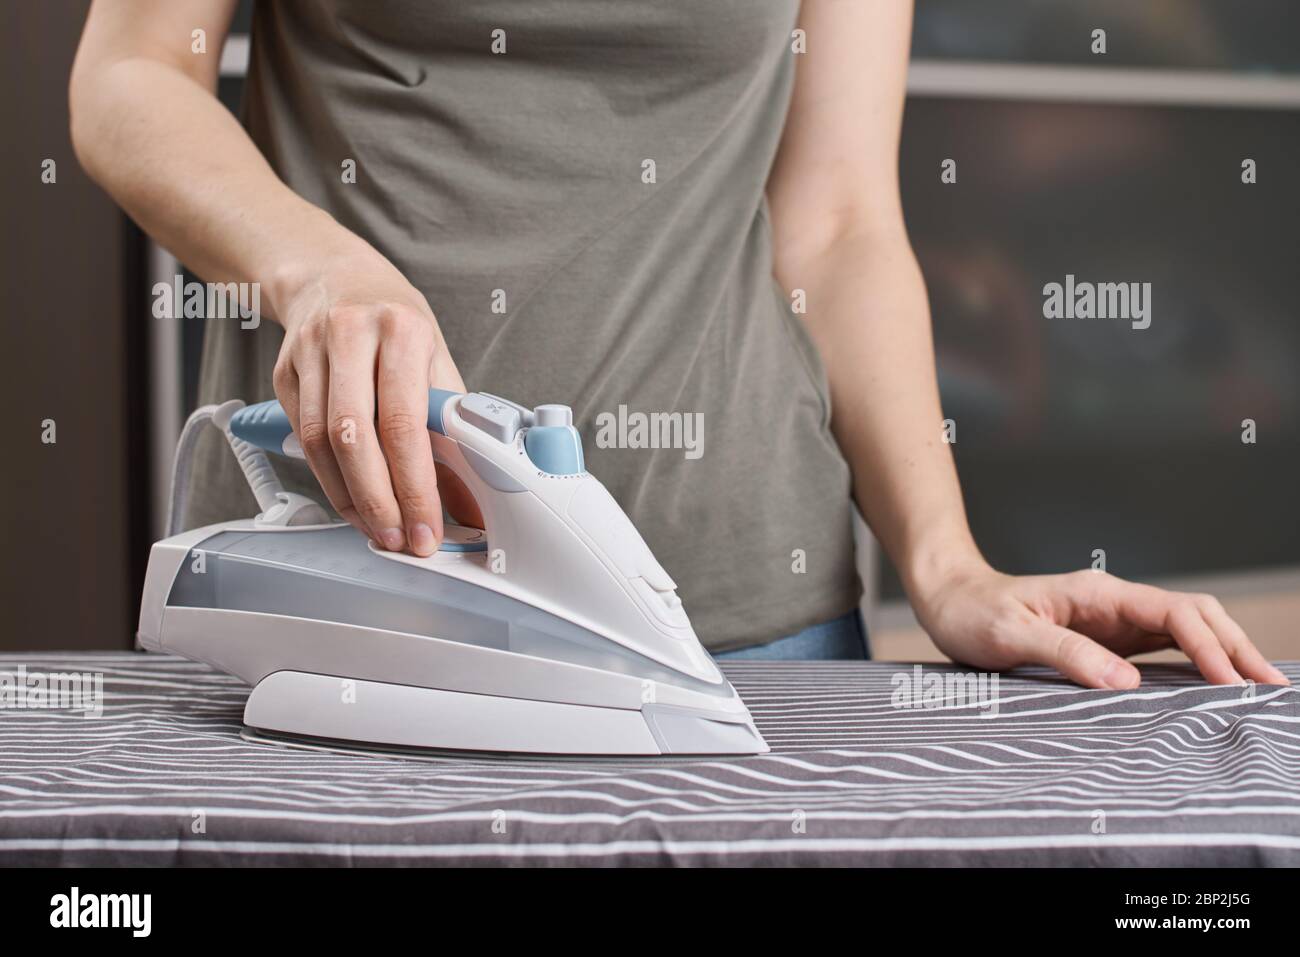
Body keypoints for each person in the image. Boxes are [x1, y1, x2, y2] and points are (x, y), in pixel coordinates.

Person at [69, 0, 1287, 687]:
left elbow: (839, 224)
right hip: (365, 591)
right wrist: (320, 269)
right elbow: (130, 71)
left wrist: (949, 563)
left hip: (753, 615)